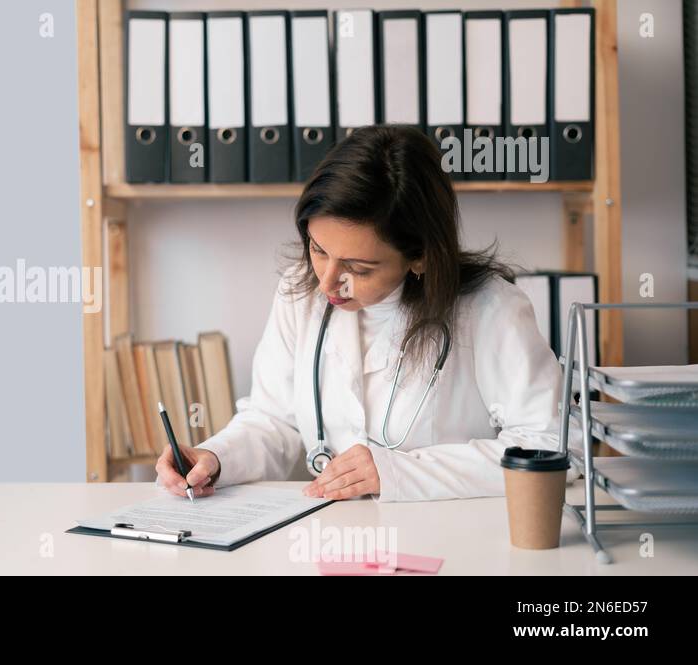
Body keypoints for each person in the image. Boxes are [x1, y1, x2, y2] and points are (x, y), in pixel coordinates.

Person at [156, 126, 570, 502]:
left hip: (451, 542)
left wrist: (400, 472)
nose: (327, 282)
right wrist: (215, 456)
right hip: (331, 541)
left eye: (358, 267)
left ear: (420, 257)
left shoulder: (488, 308)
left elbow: (552, 445)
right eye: (318, 250)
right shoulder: (297, 293)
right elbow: (273, 420)